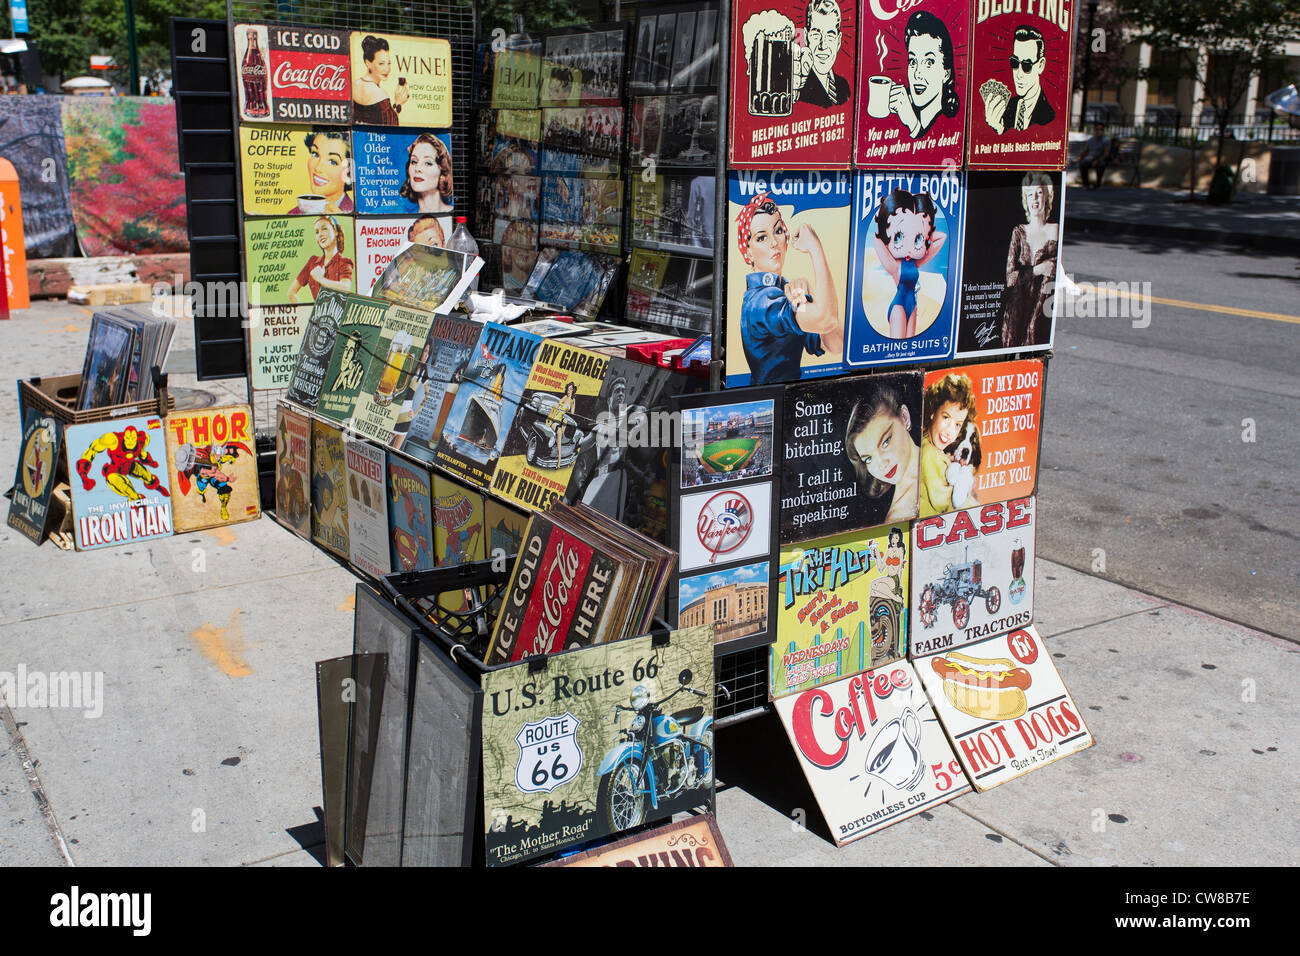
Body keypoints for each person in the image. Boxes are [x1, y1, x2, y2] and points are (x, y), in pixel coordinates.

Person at [735, 191, 842, 385]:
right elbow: (826, 319)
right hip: (771, 400)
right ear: (748, 252)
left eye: (777, 231)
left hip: (793, 398)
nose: (774, 243)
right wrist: (815, 248)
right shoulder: (761, 301)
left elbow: (836, 344)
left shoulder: (782, 292)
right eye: (761, 238)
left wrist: (810, 295)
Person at [872, 188, 947, 339]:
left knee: (908, 345)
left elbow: (941, 238)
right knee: (898, 344)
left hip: (912, 306)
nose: (909, 247)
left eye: (917, 239)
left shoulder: (916, 263)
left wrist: (925, 234)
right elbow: (878, 239)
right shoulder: (894, 266)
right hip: (898, 307)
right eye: (899, 236)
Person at [845, 380, 921, 525]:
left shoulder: (945, 459)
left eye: (885, 442)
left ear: (904, 417)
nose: (881, 464)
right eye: (868, 459)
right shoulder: (898, 516)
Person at [1001, 172, 1058, 347]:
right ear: (1025, 198)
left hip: (1041, 309)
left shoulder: (1055, 230)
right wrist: (1038, 269)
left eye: (1039, 192)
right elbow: (1010, 278)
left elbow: (1055, 269)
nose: (1035, 198)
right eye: (1030, 193)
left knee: (1033, 355)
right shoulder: (1019, 232)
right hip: (1017, 308)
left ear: (1047, 196)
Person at [890, 10, 960, 140]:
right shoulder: (901, 121)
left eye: (929, 62)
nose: (917, 74)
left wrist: (913, 125)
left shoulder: (950, 126)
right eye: (912, 61)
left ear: (946, 73)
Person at [919, 372, 978, 516]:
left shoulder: (928, 443)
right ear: (933, 412)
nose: (949, 431)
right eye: (946, 418)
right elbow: (944, 502)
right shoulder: (930, 455)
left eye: (957, 425)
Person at [987, 25, 1055, 133]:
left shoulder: (1049, 115)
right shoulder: (1006, 108)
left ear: (1041, 65)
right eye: (1014, 62)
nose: (1019, 74)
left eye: (1026, 65)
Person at [795, 0, 851, 108]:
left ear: (838, 41)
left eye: (830, 36)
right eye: (816, 35)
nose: (823, 46)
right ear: (806, 36)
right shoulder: (798, 88)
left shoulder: (844, 86)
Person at [287, 216, 354, 301]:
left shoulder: (344, 262)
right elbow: (291, 293)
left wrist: (320, 278)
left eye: (324, 229)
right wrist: (302, 313)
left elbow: (345, 288)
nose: (320, 234)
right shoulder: (312, 262)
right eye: (317, 232)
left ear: (336, 231)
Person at [288, 128, 353, 214]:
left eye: (332, 162)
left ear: (348, 173)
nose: (318, 168)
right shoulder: (293, 214)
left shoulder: (351, 211)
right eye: (315, 154)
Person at [352, 35, 409, 125]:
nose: (387, 69)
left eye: (389, 63)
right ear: (368, 63)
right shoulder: (380, 94)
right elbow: (391, 128)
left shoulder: (354, 84)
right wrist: (398, 103)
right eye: (381, 64)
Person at [398, 133, 454, 214]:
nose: (417, 169)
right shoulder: (405, 217)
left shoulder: (454, 216)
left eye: (428, 163)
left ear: (442, 172)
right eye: (414, 162)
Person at [1077, 122, 1113, 189]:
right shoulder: (1091, 140)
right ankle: (1086, 184)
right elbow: (1085, 151)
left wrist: (1097, 160)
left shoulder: (1106, 140)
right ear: (1095, 130)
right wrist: (1079, 158)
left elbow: (1106, 153)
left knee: (1101, 165)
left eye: (1101, 129)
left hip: (1101, 158)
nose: (1099, 131)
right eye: (1097, 129)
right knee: (1083, 164)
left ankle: (1098, 183)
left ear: (1103, 130)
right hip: (1090, 158)